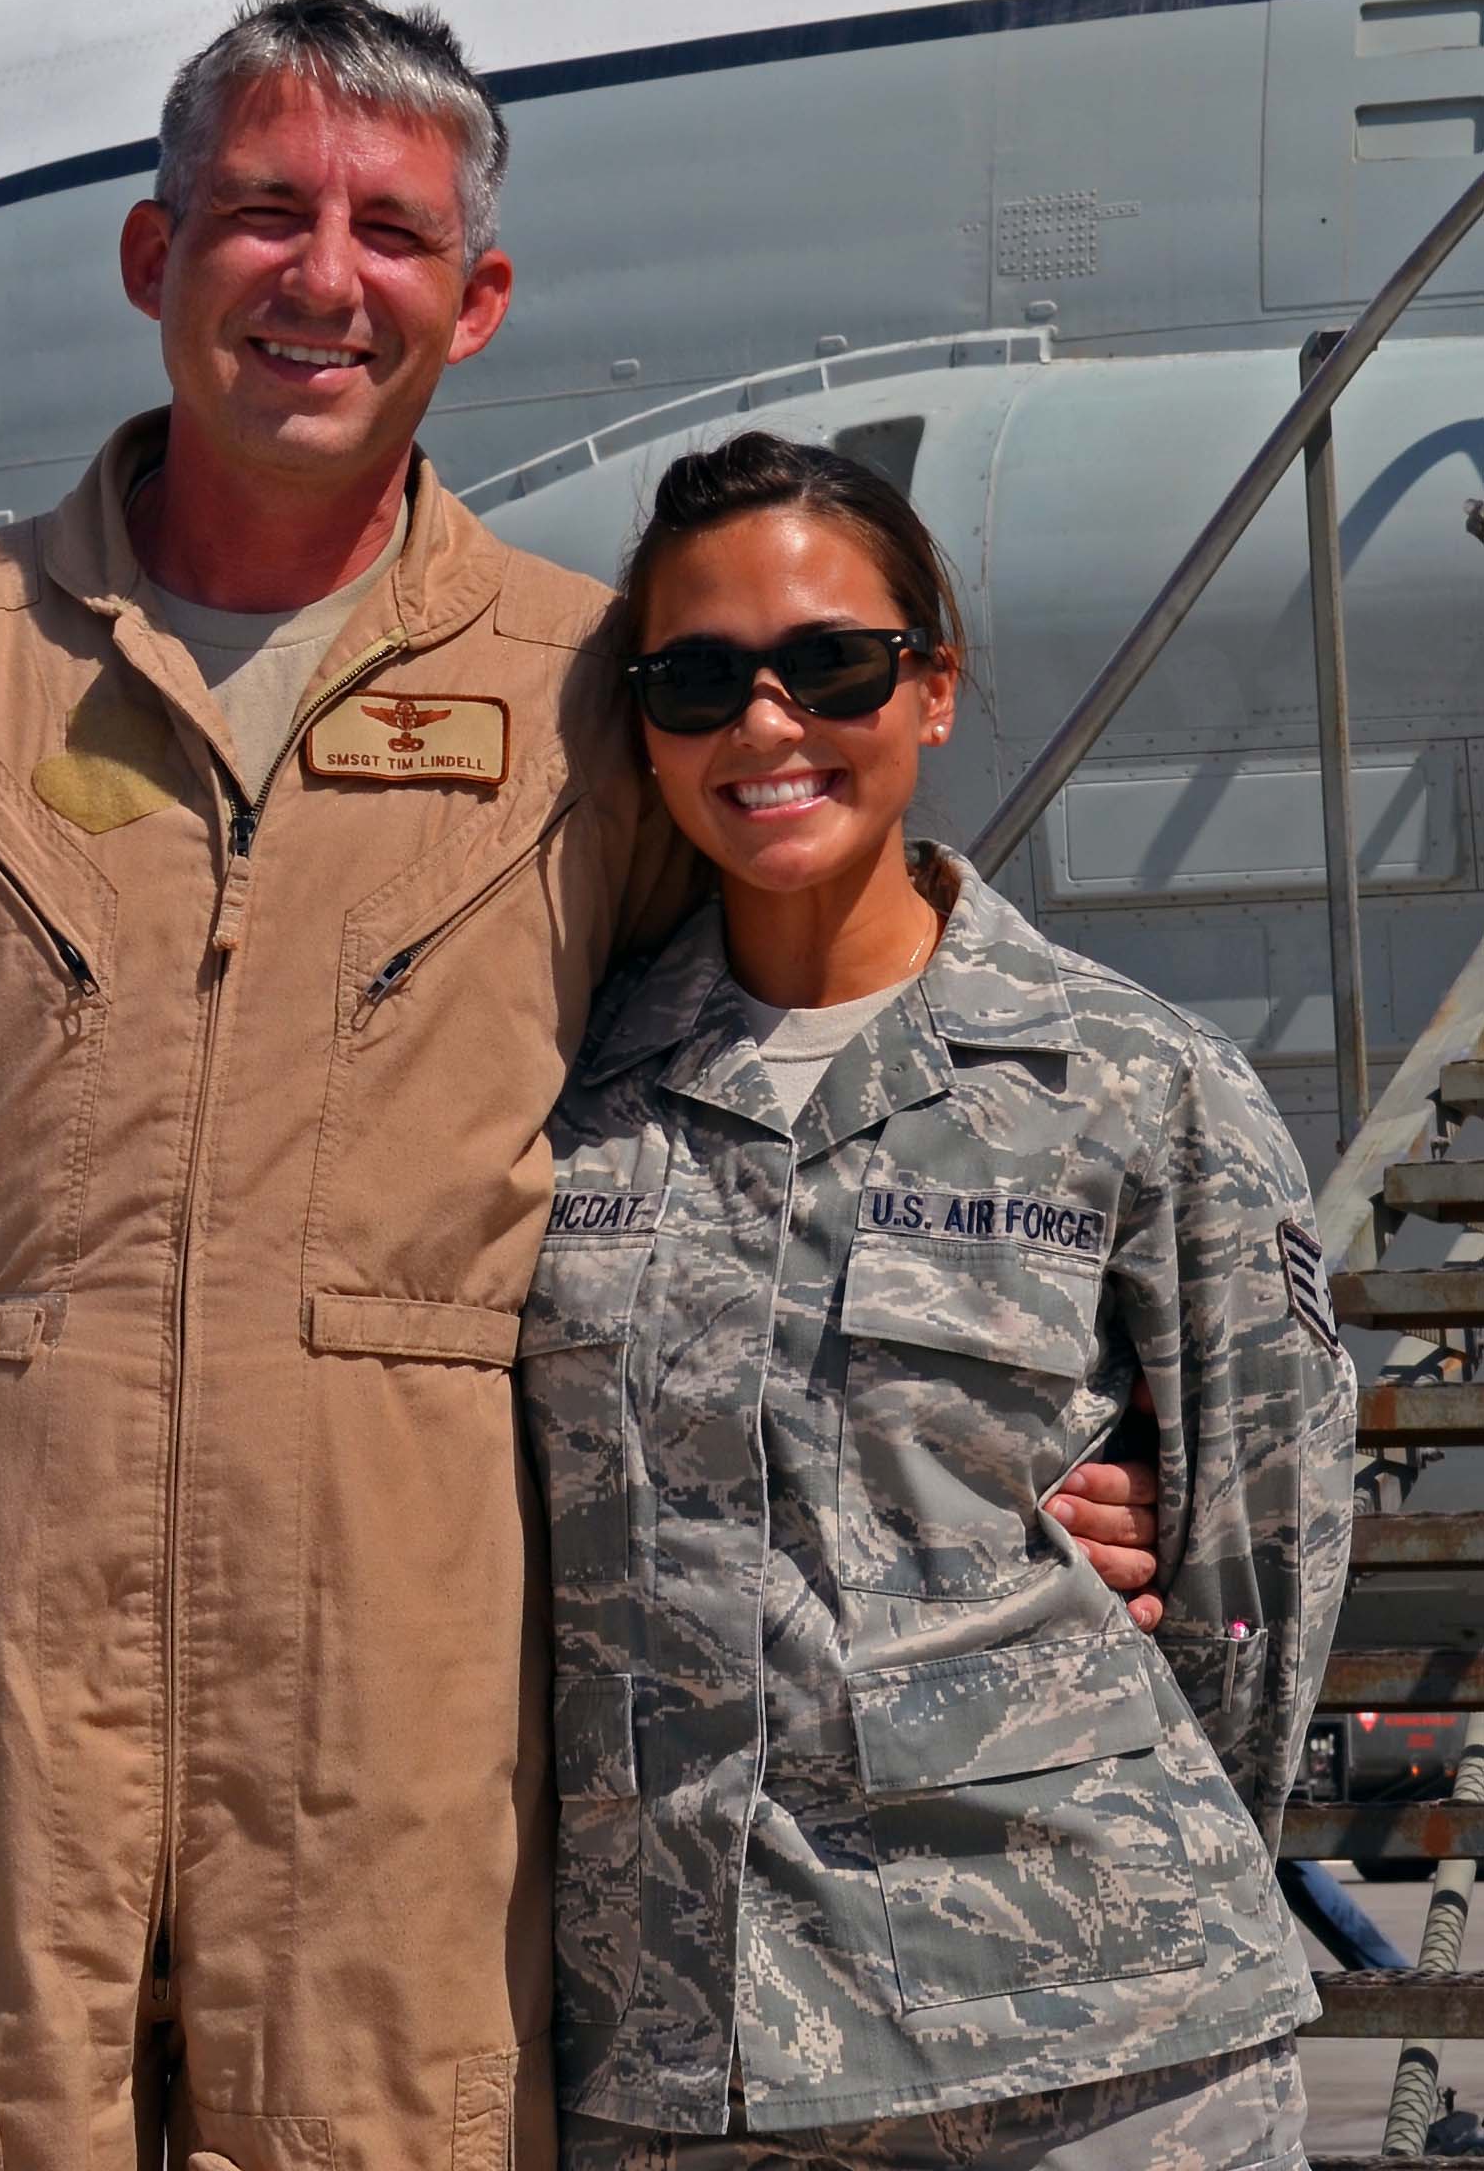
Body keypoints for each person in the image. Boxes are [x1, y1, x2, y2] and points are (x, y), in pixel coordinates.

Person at [0, 0, 1162, 2171]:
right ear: (153, 262)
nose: (322, 279)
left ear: (475, 299)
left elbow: (799, 1076)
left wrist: (1026, 1439)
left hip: (402, 1755)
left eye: (390, 234)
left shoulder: (587, 702)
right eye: (259, 214)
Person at [520, 430, 1357, 2169]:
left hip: (1101, 2058)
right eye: (698, 680)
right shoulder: (559, 1093)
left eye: (830, 664)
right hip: (689, 2074)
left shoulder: (1132, 1085)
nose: (768, 726)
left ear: (933, 688)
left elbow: (1261, 1564)